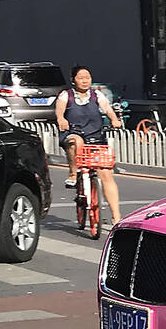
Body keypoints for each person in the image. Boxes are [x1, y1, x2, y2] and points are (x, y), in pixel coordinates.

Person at [56, 65, 124, 226]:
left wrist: (114, 119)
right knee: (75, 142)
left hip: (95, 137)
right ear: (73, 80)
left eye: (87, 77)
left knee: (106, 175)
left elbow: (107, 108)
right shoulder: (66, 95)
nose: (85, 80)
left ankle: (117, 216)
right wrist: (61, 119)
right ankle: (73, 173)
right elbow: (59, 111)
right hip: (73, 133)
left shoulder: (96, 95)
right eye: (81, 77)